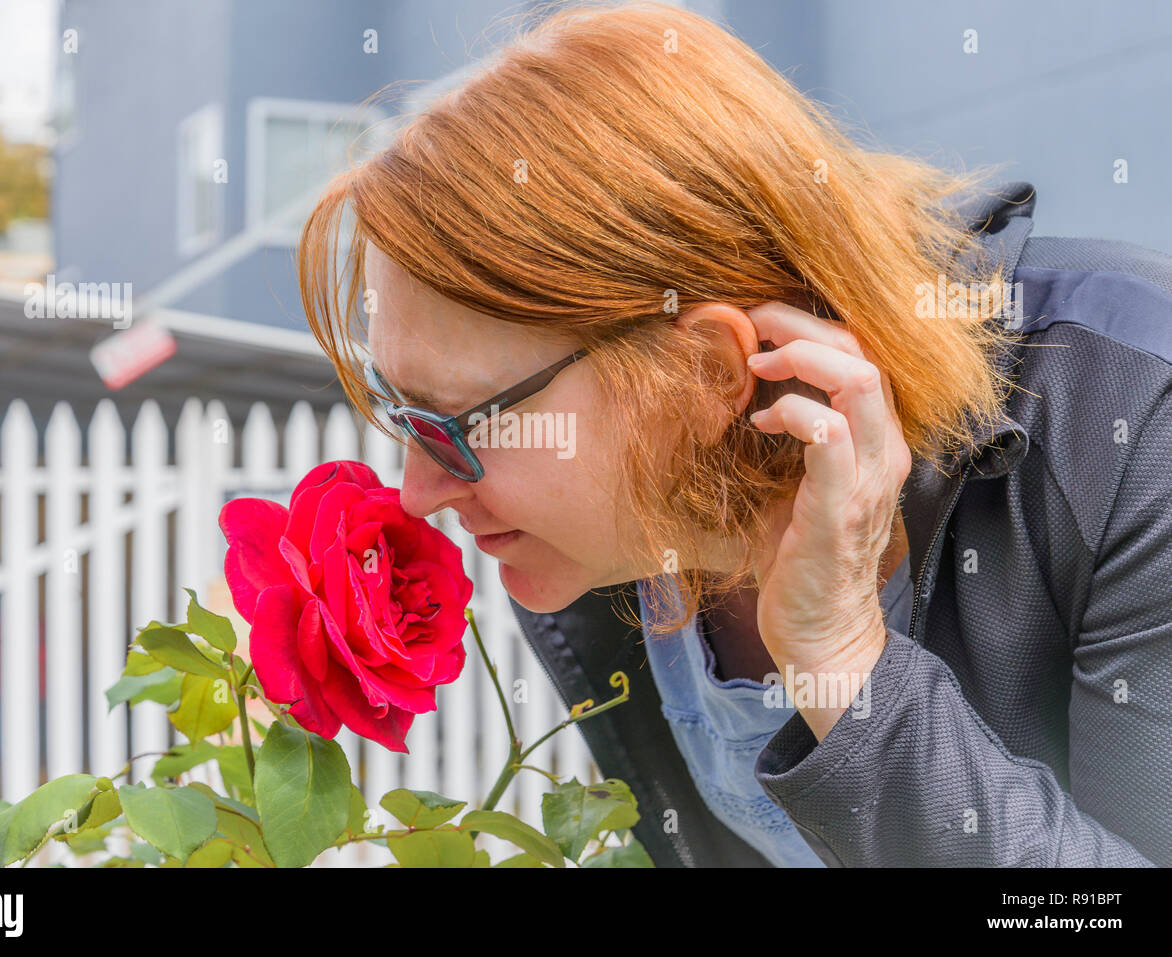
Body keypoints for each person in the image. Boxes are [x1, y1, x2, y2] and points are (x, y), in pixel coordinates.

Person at [297, 1, 1172, 866]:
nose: (420, 490)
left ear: (708, 373)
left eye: (463, 422)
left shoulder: (1132, 415)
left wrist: (846, 665)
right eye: (402, 409)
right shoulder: (605, 534)